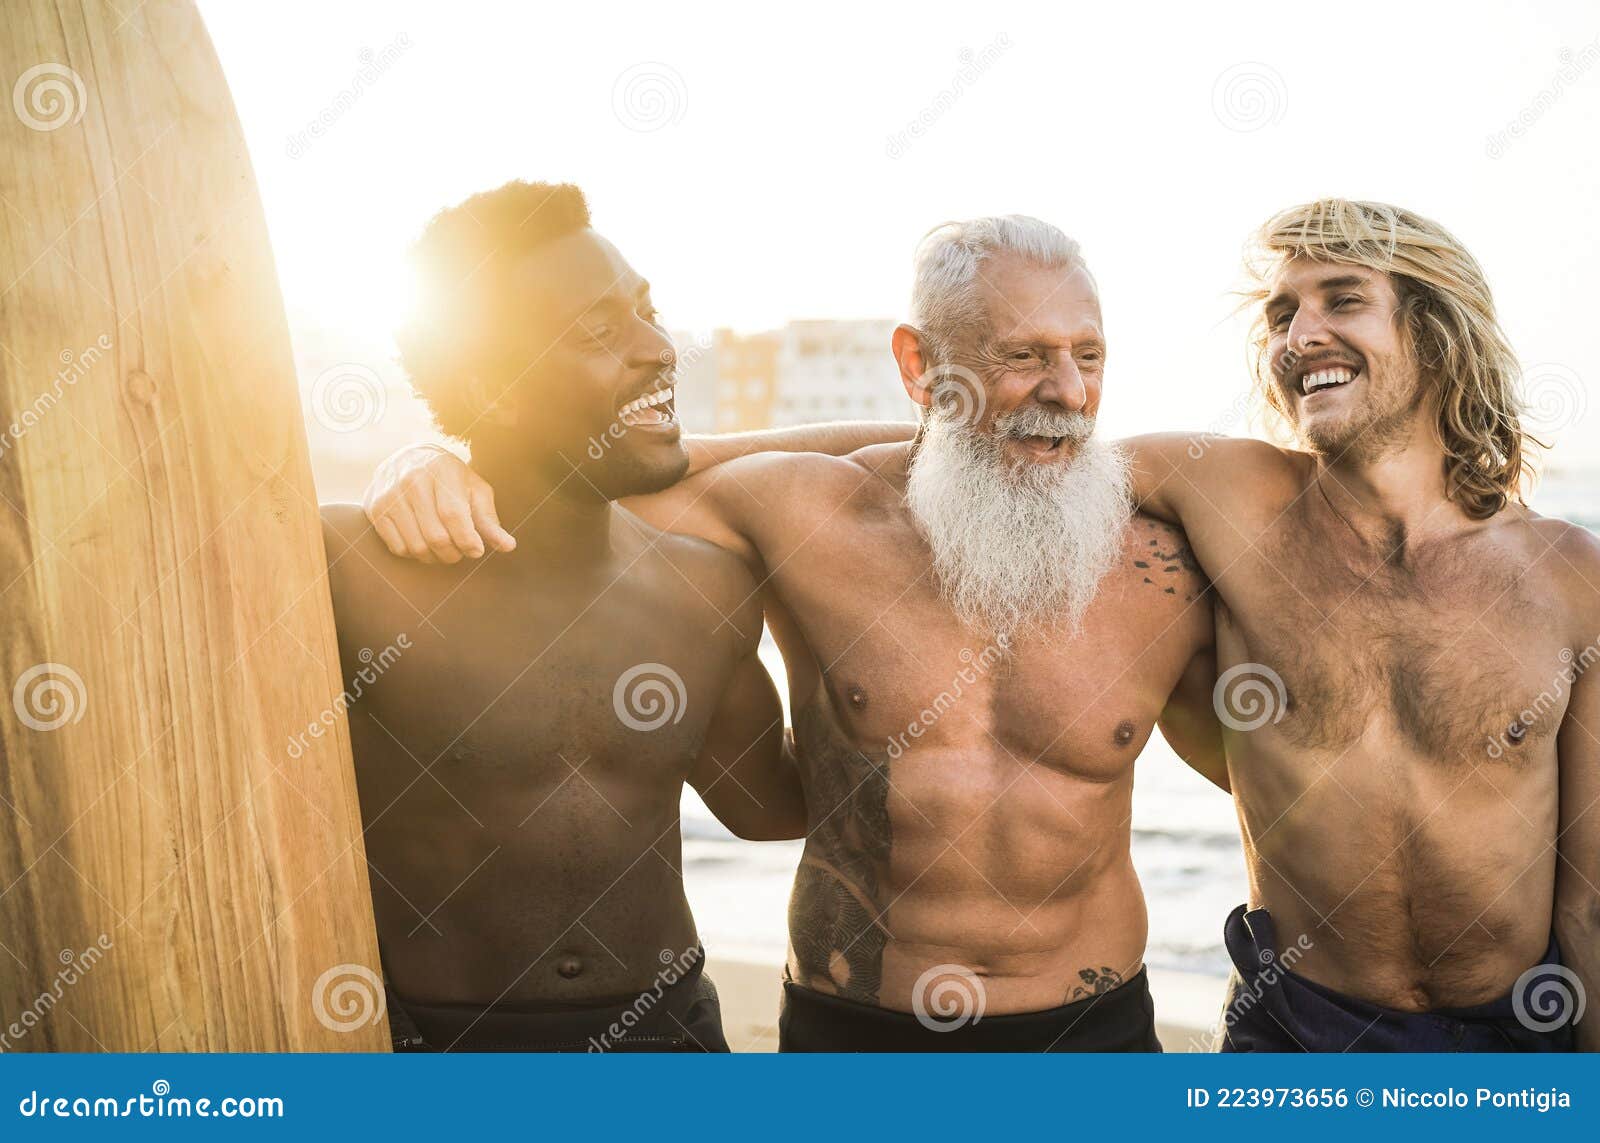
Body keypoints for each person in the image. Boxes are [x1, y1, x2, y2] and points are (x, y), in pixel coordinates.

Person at [364, 215, 1224, 1051]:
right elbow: (591, 483)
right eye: (1025, 356)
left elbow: (1263, 778)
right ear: (919, 365)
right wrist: (434, 462)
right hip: (854, 1035)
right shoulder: (803, 516)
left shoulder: (1161, 562)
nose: (1068, 392)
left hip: (1092, 1035)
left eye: (1088, 355)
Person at [321, 180, 822, 1052]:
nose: (658, 348)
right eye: (598, 332)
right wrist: (408, 458)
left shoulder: (706, 585)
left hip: (670, 1038)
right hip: (440, 1048)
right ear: (494, 386)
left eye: (647, 312)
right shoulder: (350, 569)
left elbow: (769, 808)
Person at [1128, 199, 1597, 1051]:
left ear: (1436, 332)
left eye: (1342, 299)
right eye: (1281, 315)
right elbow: (1017, 460)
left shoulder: (1571, 575)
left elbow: (1590, 897)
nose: (1299, 336)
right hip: (1293, 1032)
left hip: (1515, 1037)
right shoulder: (1226, 497)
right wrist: (828, 464)